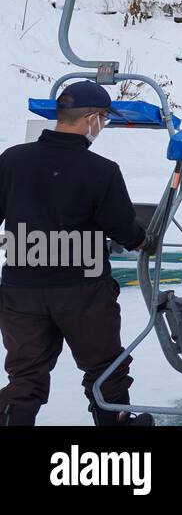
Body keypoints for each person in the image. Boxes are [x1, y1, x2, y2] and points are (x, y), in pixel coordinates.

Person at [0, 81, 155, 426]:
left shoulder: (12, 160)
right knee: (105, 369)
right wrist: (143, 241)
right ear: (92, 119)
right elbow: (123, 229)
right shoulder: (101, 170)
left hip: (21, 285)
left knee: (24, 376)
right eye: (104, 120)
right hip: (82, 289)